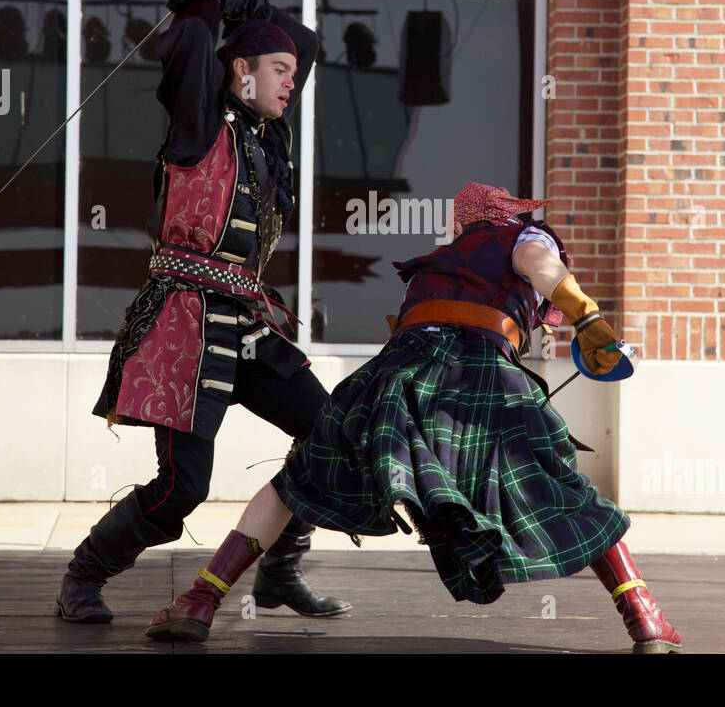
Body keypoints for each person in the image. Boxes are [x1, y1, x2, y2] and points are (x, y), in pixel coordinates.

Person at [144, 182, 681, 653]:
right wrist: (590, 317)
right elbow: (545, 273)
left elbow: (413, 324)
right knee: (563, 488)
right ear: (507, 214)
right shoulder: (523, 237)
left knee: (297, 480)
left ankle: (199, 603)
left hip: (395, 375)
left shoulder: (434, 264)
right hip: (478, 371)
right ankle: (645, 617)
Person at [55, 0, 351, 624]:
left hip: (244, 324)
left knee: (331, 434)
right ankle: (83, 575)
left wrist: (254, 14)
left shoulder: (260, 139)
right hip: (184, 325)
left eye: (293, 76)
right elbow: (192, 48)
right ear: (241, 71)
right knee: (179, 492)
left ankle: (277, 572)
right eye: (279, 71)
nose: (292, 81)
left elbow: (298, 41)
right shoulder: (199, 121)